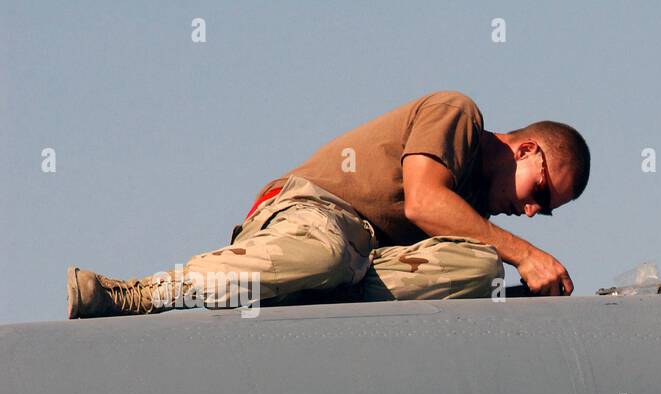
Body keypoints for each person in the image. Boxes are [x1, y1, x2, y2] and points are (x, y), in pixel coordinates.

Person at [68, 91, 590, 317]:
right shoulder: (460, 117)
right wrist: (524, 253)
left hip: (360, 262)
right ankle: (143, 293)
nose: (529, 213)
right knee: (331, 253)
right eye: (538, 194)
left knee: (480, 268)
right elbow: (425, 202)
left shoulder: (475, 216)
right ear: (526, 150)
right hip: (314, 214)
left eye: (542, 212)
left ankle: (311, 301)